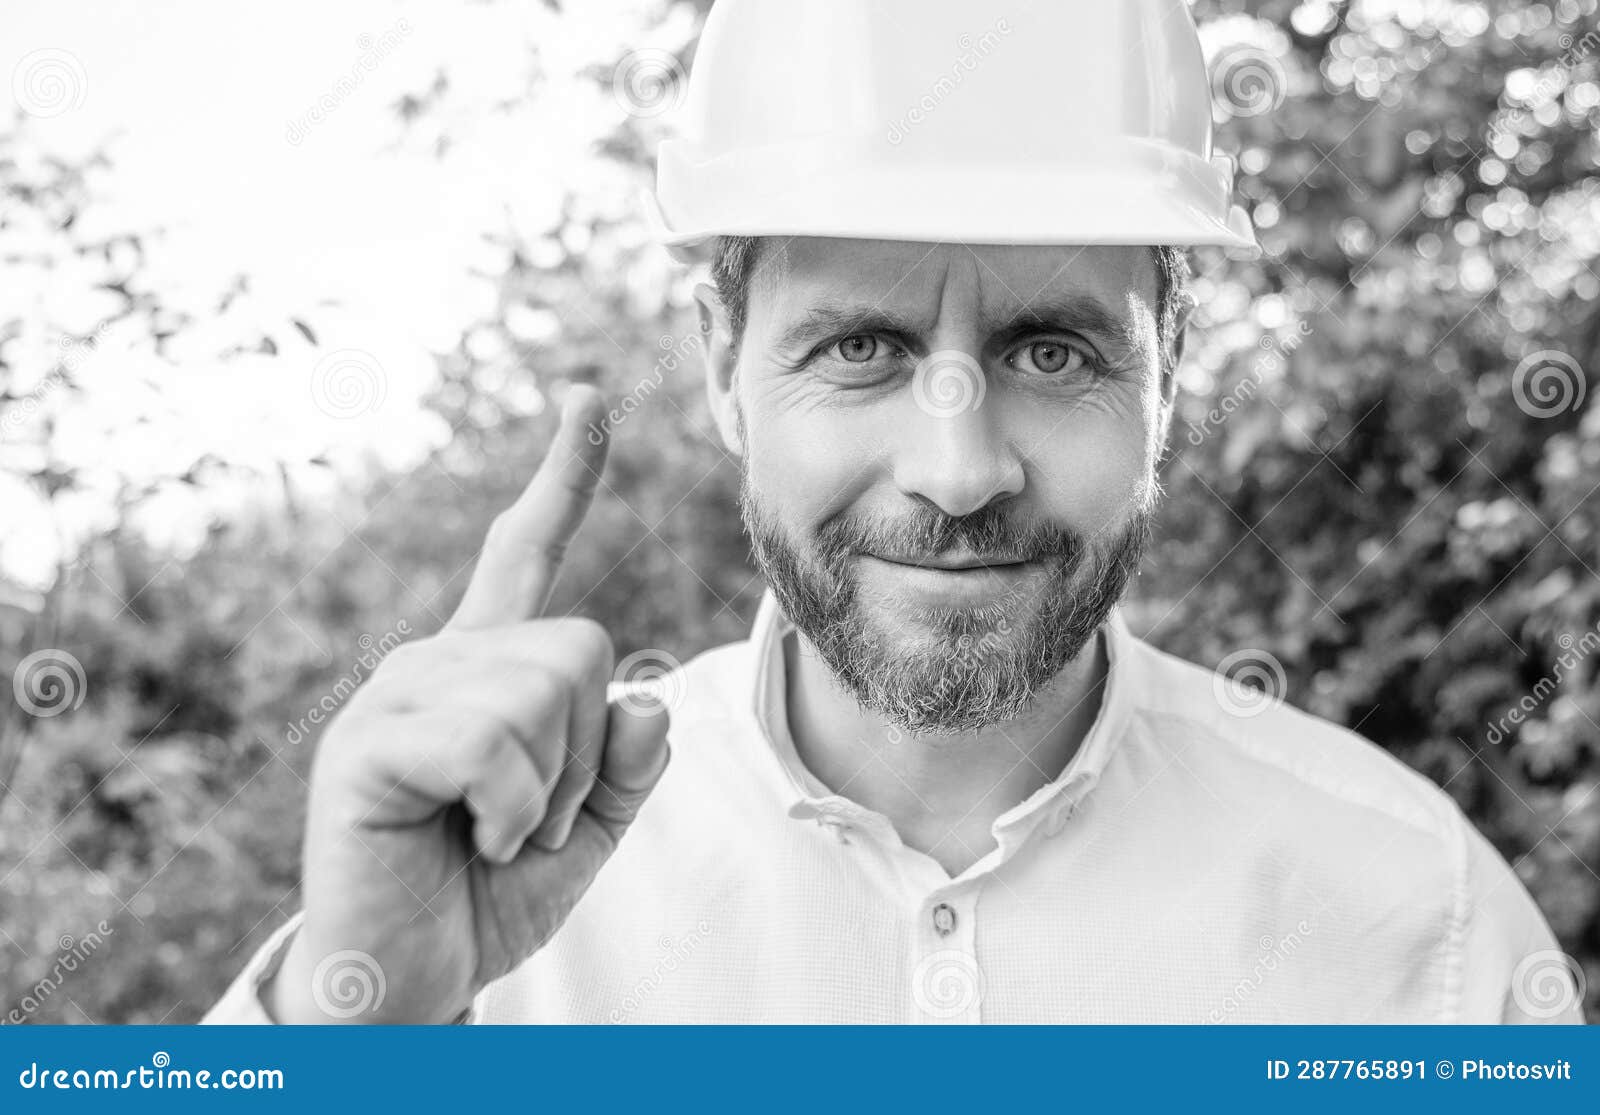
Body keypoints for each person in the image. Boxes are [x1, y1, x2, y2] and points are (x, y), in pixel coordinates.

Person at [206, 0, 1585, 1024]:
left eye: (1054, 350)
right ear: (722, 370)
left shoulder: (1422, 928)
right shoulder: (481, 908)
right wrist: (359, 1036)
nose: (959, 469)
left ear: (1173, 375)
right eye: (858, 347)